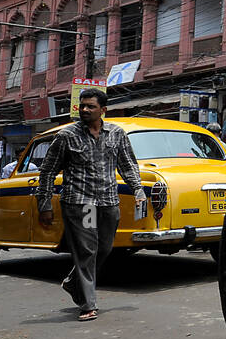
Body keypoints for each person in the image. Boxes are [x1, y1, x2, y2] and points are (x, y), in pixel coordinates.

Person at [37, 88, 146, 323]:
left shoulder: (117, 134)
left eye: (90, 106)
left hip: (108, 202)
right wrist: (44, 204)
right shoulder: (67, 136)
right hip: (81, 203)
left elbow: (128, 166)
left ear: (103, 110)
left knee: (105, 248)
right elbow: (46, 171)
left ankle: (74, 281)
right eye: (82, 105)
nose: (84, 110)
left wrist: (138, 189)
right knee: (87, 250)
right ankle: (88, 303)